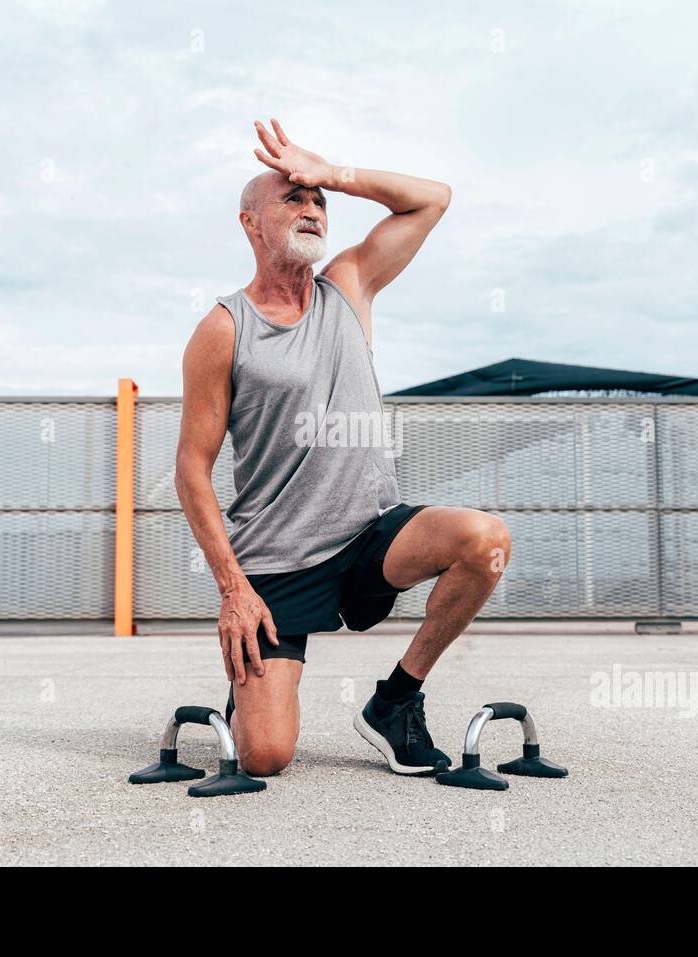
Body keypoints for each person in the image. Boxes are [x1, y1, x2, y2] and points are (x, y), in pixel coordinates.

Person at [175, 118, 512, 777]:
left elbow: (432, 198)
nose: (310, 209)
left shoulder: (350, 284)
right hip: (277, 558)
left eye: (317, 201)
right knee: (266, 756)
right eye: (292, 198)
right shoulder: (223, 328)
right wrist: (232, 589)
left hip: (369, 538)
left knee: (485, 539)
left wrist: (334, 174)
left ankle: (396, 701)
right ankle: (252, 690)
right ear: (250, 222)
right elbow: (191, 467)